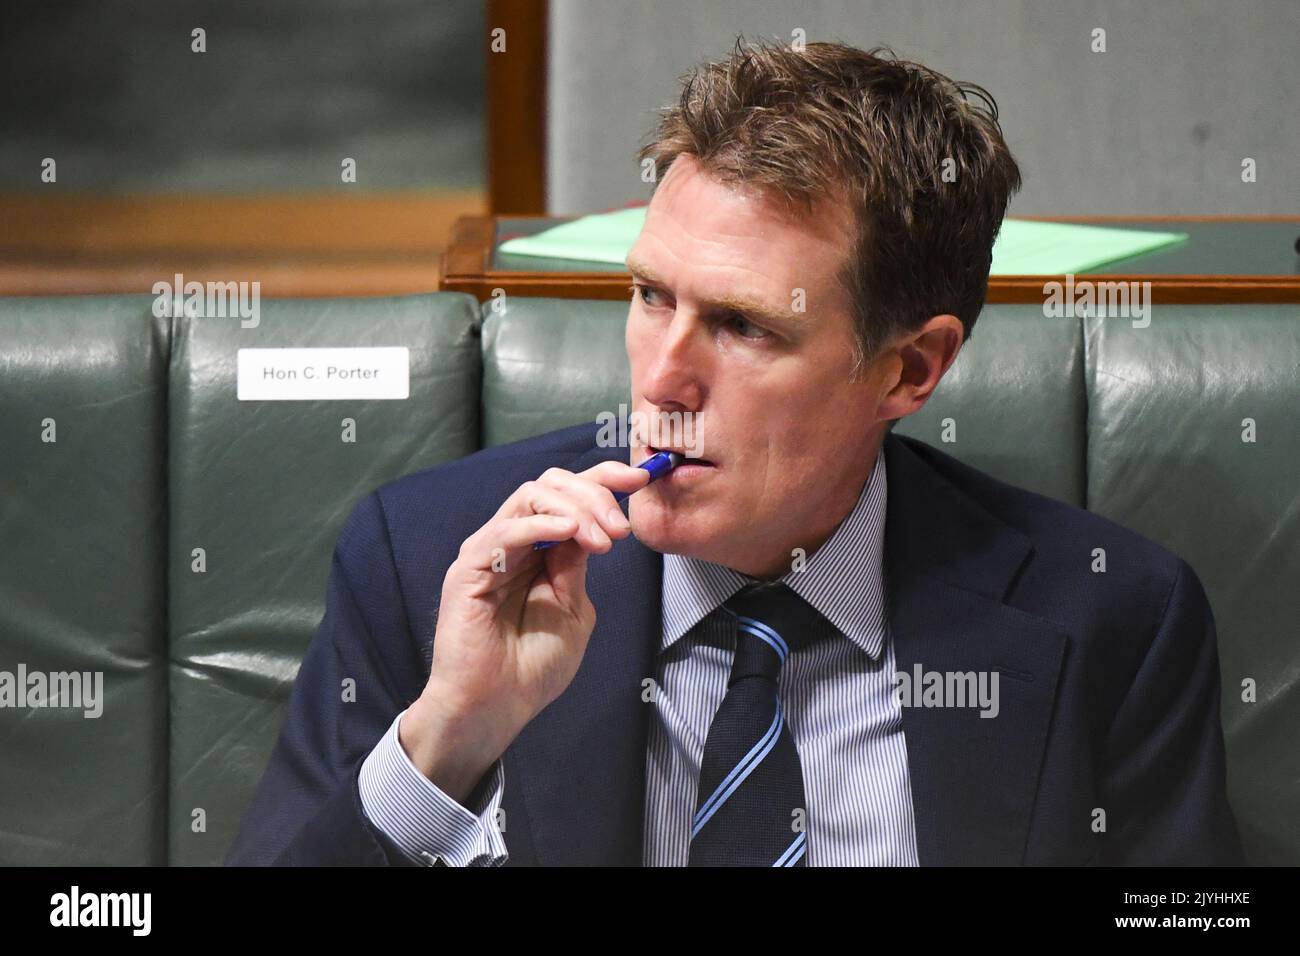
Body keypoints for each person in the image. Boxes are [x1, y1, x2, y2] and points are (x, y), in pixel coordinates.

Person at [226, 39, 1243, 866]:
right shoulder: (431, 564)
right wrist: (449, 736)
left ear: (909, 368)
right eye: (650, 295)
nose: (661, 378)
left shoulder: (1115, 615)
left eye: (746, 326)